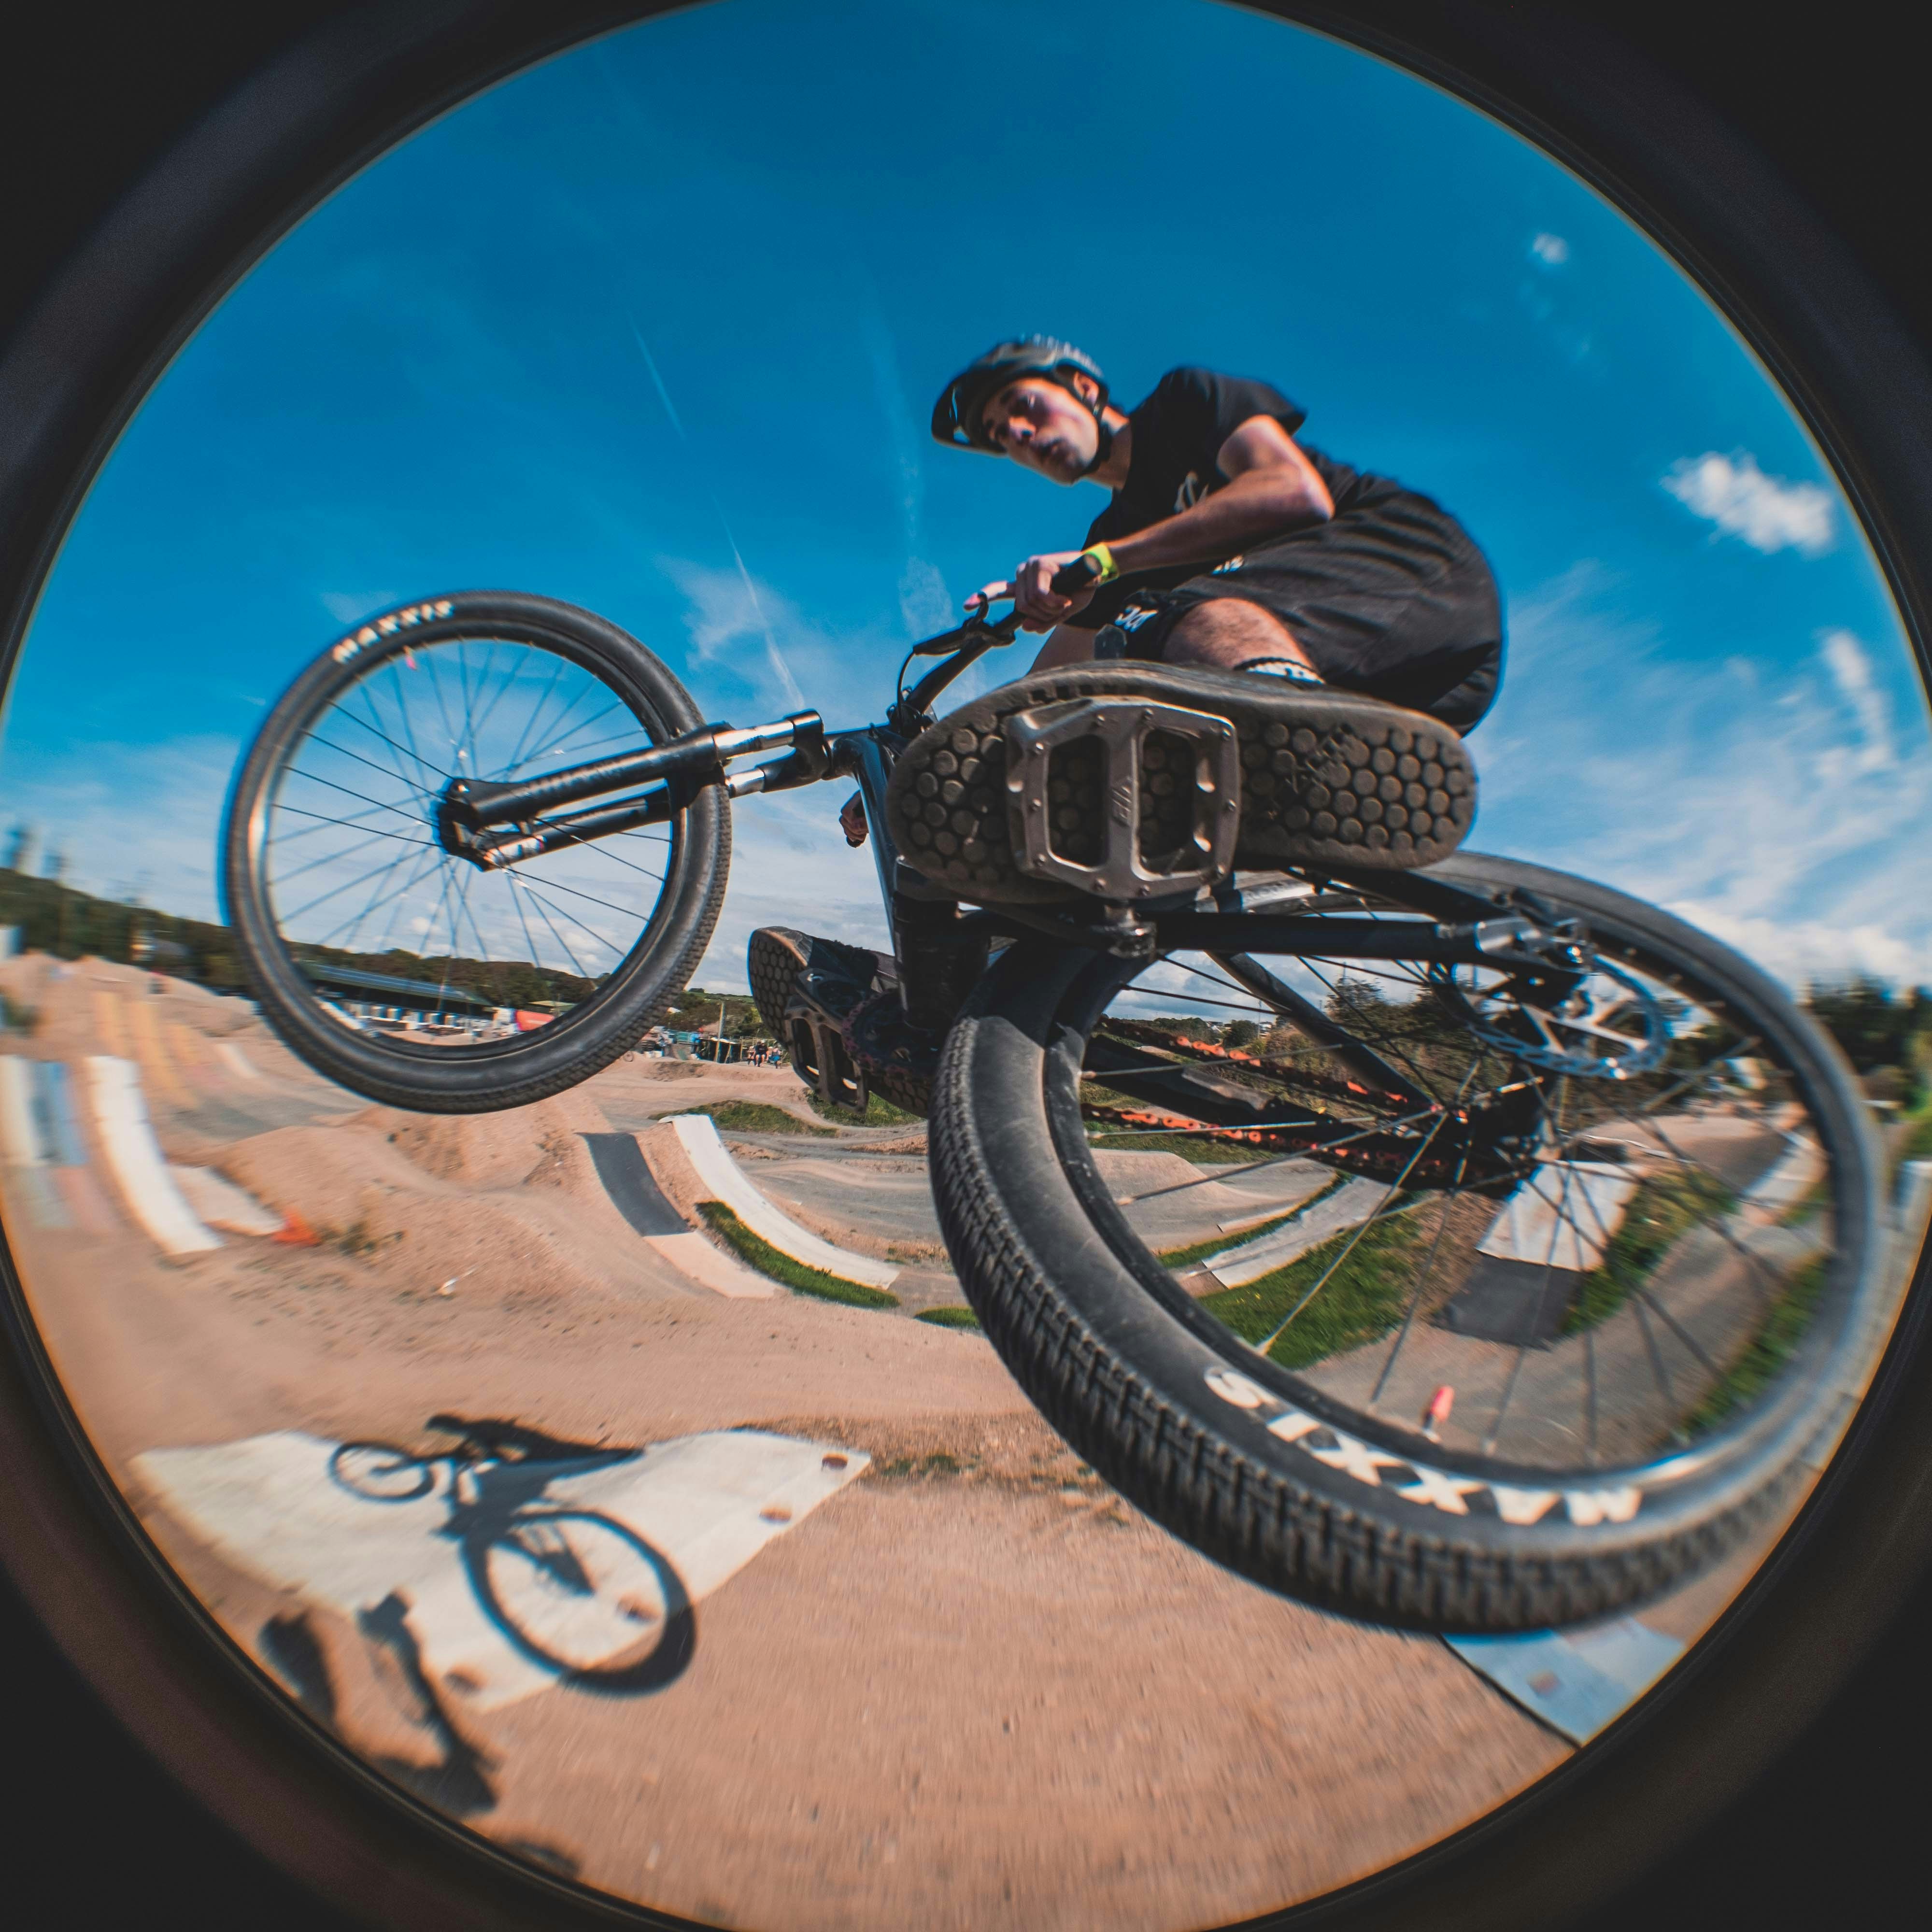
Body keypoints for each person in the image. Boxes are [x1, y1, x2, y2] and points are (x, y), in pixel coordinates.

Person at [840, 335, 1500, 848]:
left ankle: (1310, 769)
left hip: (1418, 580)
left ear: (1082, 386)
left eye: (1022, 406)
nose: (1016, 434)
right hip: (1390, 696)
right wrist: (914, 773)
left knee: (1142, 631)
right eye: (999, 438)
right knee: (1097, 707)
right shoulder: (1113, 534)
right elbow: (1037, 696)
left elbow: (1291, 495)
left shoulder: (1184, 405)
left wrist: (1101, 564)